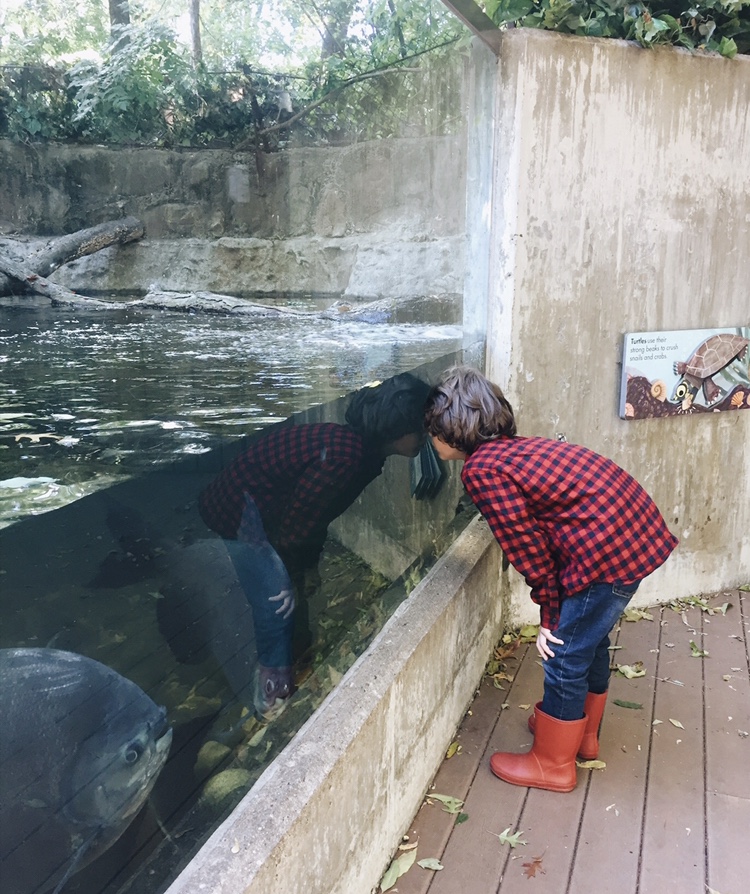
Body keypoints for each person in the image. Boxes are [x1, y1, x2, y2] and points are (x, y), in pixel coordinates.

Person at [424, 366, 678, 793]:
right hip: (630, 539)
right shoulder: (513, 451)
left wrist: (549, 615)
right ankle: (582, 735)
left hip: (604, 555)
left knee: (562, 653)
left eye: (432, 429)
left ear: (449, 431)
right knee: (587, 640)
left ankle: (552, 763)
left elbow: (527, 550)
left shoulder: (481, 471)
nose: (430, 438)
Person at [199, 372, 431, 721]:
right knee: (277, 602)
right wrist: (291, 576)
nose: (426, 437)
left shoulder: (361, 452)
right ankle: (272, 693)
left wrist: (304, 568)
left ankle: (295, 655)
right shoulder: (346, 456)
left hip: (262, 513)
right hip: (238, 512)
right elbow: (298, 522)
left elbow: (313, 517)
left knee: (290, 591)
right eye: (421, 428)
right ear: (398, 427)